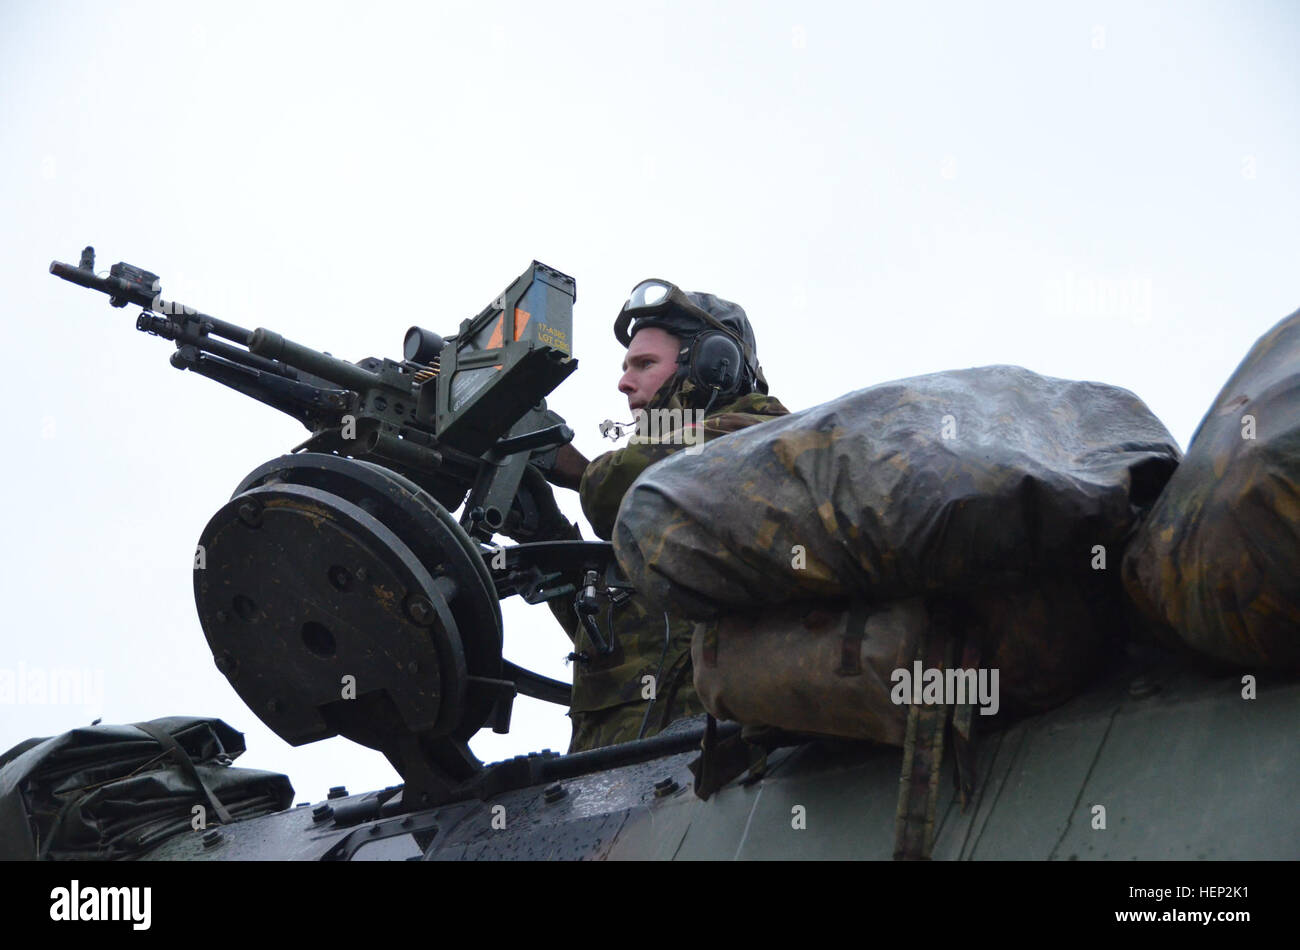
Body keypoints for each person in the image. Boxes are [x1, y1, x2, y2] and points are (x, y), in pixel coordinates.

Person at [546, 279, 790, 753]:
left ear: (714, 367)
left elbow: (619, 483)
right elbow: (611, 628)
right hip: (612, 789)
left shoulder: (754, 435)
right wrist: (538, 523)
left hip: (716, 778)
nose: (624, 382)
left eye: (644, 364)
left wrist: (570, 466)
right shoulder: (657, 506)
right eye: (626, 366)